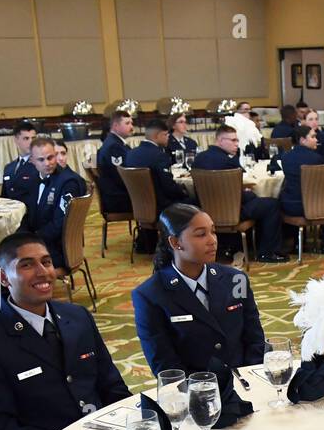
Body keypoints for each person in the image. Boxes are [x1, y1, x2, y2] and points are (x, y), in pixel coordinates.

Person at [0, 233, 131, 430]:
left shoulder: (78, 317)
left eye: (47, 262)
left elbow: (112, 387)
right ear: (3, 278)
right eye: (27, 265)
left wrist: (132, 429)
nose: (43, 272)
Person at [132, 203, 265, 381]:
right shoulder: (150, 295)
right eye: (201, 234)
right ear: (175, 242)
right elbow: (165, 365)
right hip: (194, 393)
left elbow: (254, 339)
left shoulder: (235, 279)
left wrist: (251, 378)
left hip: (245, 381)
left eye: (213, 231)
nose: (212, 240)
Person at [191, 125, 287, 263]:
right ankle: (267, 252)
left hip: (205, 211)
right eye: (233, 140)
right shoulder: (229, 162)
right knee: (271, 204)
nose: (237, 144)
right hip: (231, 211)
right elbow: (236, 196)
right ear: (220, 140)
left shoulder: (199, 159)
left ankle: (234, 246)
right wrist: (251, 195)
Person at [16, 136, 87, 268]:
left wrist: (32, 240)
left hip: (56, 248)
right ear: (32, 161)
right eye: (41, 160)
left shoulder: (68, 182)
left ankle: (2, 288)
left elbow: (61, 223)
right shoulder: (34, 179)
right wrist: (19, 237)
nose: (47, 163)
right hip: (38, 242)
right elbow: (29, 214)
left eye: (50, 158)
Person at [122, 117, 192, 208]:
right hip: (162, 206)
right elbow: (169, 188)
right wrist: (185, 191)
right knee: (201, 200)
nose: (168, 137)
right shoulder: (159, 156)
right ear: (157, 136)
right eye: (166, 135)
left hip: (139, 205)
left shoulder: (131, 154)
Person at [94, 110, 134, 214]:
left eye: (131, 123)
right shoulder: (114, 147)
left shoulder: (115, 143)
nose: (131, 127)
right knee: (157, 199)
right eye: (127, 123)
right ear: (116, 126)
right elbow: (122, 176)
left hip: (118, 195)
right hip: (118, 200)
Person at [0, 121, 39, 204]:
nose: (31, 142)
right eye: (26, 138)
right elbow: (4, 196)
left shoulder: (40, 165)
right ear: (16, 140)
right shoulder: (9, 168)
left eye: (33, 138)